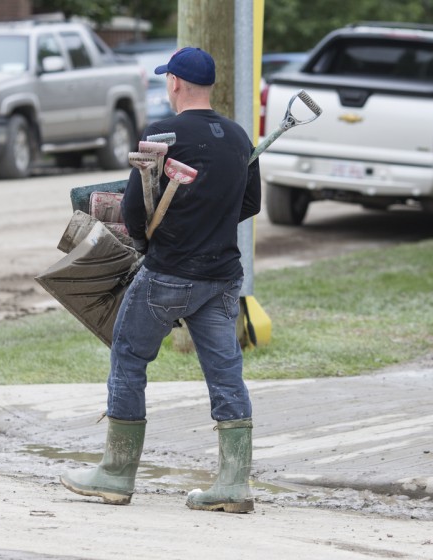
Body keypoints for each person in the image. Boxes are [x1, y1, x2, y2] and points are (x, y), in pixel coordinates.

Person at [60, 47, 262, 514]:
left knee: (129, 356)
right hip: (222, 277)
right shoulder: (238, 137)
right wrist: (210, 216)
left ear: (174, 83)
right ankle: (234, 484)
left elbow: (134, 209)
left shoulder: (162, 134)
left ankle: (115, 474)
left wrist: (148, 235)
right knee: (225, 373)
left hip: (169, 273)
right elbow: (250, 204)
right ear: (209, 85)